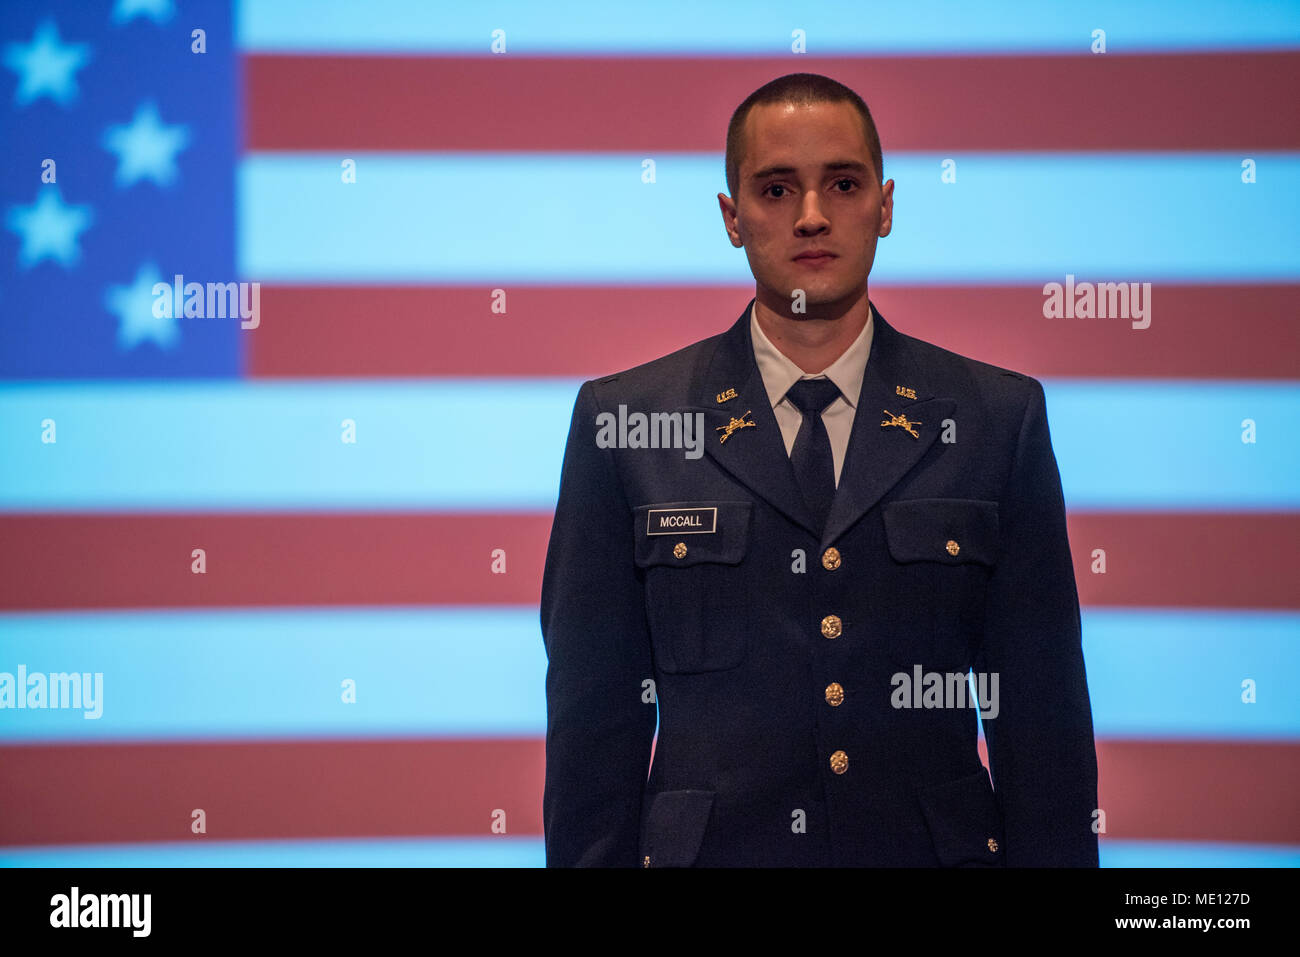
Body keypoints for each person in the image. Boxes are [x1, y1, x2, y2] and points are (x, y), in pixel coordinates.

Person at [540, 72, 1099, 867]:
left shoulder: (993, 419)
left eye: (842, 183)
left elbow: (1042, 725)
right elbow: (593, 730)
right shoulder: (626, 425)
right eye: (776, 188)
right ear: (732, 218)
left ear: (886, 204)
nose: (810, 215)